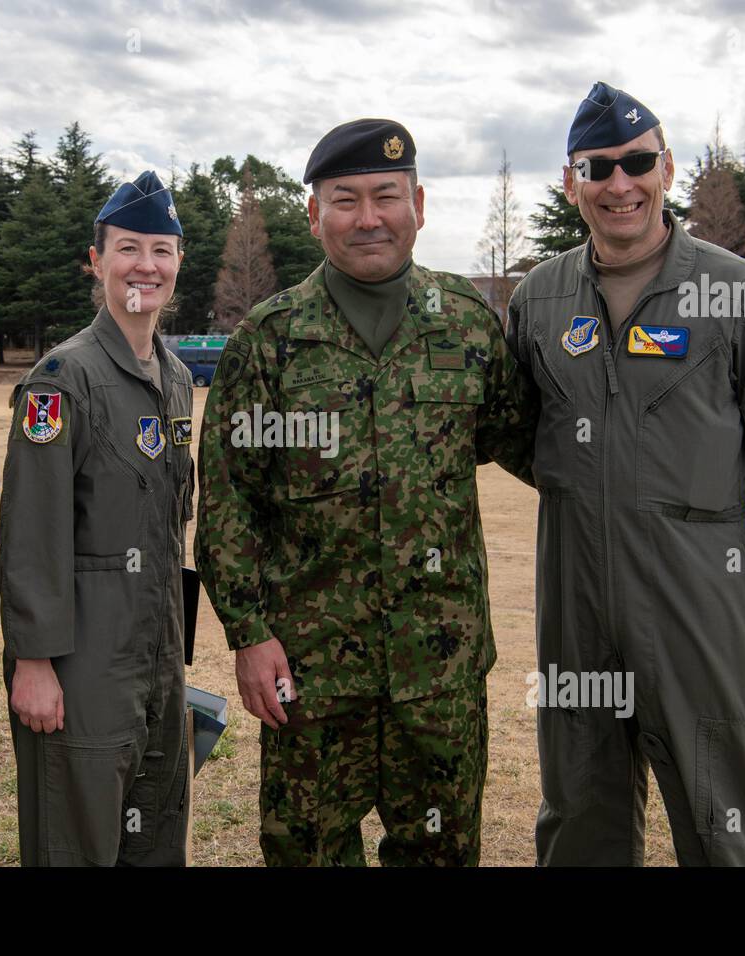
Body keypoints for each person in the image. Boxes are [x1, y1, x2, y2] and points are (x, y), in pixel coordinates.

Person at [195, 120, 537, 866]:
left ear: (419, 202)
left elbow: (530, 447)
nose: (368, 217)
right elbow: (229, 501)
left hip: (438, 672)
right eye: (344, 200)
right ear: (314, 215)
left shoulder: (470, 326)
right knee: (307, 853)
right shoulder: (268, 339)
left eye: (386, 195)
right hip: (311, 675)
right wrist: (248, 636)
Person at [505, 81, 745, 866]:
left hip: (699, 597)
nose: (620, 185)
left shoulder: (738, 293)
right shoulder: (539, 299)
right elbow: (519, 430)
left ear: (667, 168)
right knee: (580, 814)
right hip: (575, 598)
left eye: (637, 163)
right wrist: (584, 485)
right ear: (572, 181)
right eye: (598, 168)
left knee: (727, 823)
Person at [0, 171, 194, 867]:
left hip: (158, 661)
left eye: (162, 250)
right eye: (129, 248)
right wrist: (34, 665)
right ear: (97, 260)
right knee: (75, 846)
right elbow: (30, 532)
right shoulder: (62, 379)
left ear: (178, 262)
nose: (146, 265)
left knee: (153, 840)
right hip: (84, 669)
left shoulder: (172, 377)